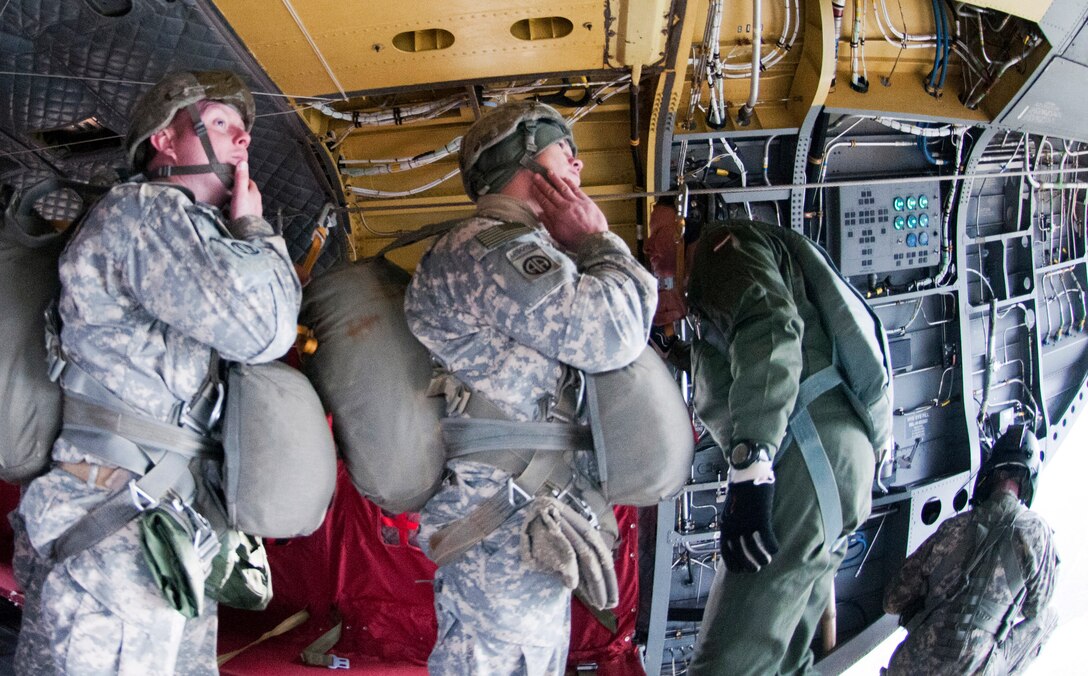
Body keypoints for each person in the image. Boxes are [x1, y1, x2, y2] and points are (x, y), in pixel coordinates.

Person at [12, 70, 301, 674]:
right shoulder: (147, 211)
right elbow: (265, 334)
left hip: (160, 515)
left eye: (245, 131)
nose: (242, 140)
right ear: (164, 142)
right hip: (117, 515)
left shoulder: (193, 233)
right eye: (221, 123)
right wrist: (255, 228)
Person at [403, 100, 656, 674]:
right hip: (500, 519)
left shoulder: (522, 249)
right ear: (523, 160)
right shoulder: (489, 248)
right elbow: (613, 334)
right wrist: (597, 242)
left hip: (522, 515)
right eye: (564, 149)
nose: (580, 165)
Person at [644, 212, 876, 675]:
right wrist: (677, 351)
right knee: (782, 662)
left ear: (683, 227)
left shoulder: (716, 252)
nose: (651, 251)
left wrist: (752, 468)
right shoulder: (721, 277)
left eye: (657, 235)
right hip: (838, 465)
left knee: (727, 666)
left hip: (803, 458)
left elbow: (770, 328)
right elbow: (740, 357)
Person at [883, 425, 1059, 675]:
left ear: (990, 475)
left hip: (910, 668)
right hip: (973, 668)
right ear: (1029, 480)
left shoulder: (953, 528)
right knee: (1047, 618)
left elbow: (892, 601)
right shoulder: (1037, 532)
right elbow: (1035, 607)